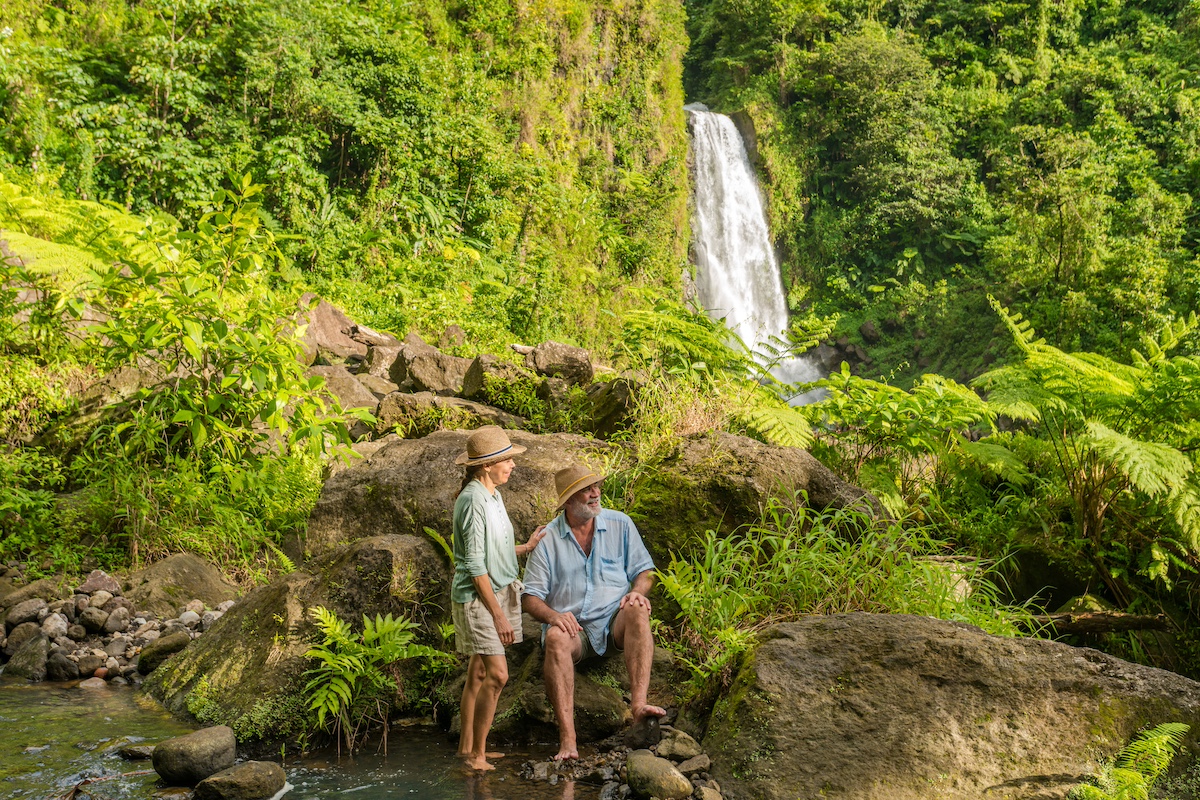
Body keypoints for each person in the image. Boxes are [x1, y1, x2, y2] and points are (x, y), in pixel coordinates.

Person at [521, 465, 666, 761]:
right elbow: (530, 597)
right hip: (575, 630)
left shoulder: (620, 523)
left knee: (637, 609)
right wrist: (553, 617)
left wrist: (637, 591)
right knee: (555, 639)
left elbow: (645, 571)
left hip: (615, 623)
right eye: (587, 489)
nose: (596, 493)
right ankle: (568, 738)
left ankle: (638, 705)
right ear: (568, 501)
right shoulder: (547, 539)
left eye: (596, 486)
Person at [452, 426, 547, 771]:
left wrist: (526, 547)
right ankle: (477, 756)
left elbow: (494, 549)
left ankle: (468, 748)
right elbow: (475, 565)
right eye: (506, 459)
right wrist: (499, 616)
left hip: (498, 589)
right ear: (486, 466)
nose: (512, 465)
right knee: (498, 675)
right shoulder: (474, 500)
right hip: (480, 597)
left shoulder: (492, 495)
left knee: (478, 673)